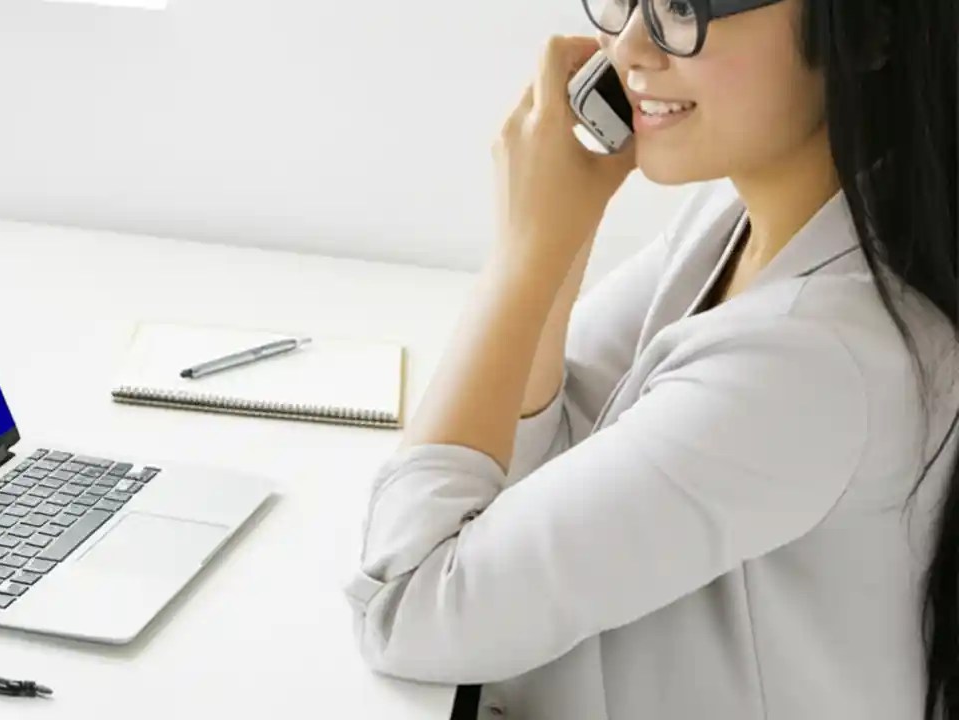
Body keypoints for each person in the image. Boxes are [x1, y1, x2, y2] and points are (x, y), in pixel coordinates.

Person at [343, 0, 958, 717]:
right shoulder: (739, 221)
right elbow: (541, 459)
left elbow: (402, 608)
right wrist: (554, 239)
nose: (630, 46)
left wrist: (526, 254)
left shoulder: (814, 359)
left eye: (683, 7)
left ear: (870, 29)